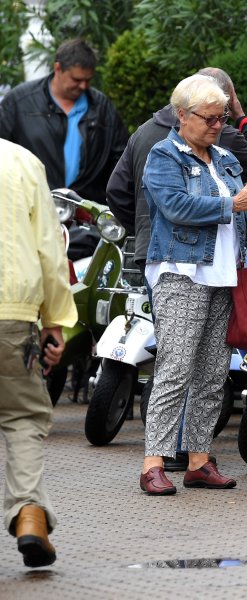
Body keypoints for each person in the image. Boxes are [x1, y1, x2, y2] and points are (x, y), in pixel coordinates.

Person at [106, 67, 247, 472]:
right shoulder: (163, 155)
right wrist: (232, 205)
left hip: (224, 276)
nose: (218, 126)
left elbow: (240, 223)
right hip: (180, 272)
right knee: (175, 368)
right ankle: (154, 464)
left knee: (213, 374)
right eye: (209, 119)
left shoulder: (226, 159)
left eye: (222, 118)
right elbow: (176, 208)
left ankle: (199, 462)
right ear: (182, 115)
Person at [0, 139, 78, 567]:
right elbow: (50, 251)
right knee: (23, 417)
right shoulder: (22, 161)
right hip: (12, 313)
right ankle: (30, 514)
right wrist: (55, 318)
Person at [0, 39, 128, 203]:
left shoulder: (102, 107)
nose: (83, 86)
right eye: (76, 80)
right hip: (31, 205)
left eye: (88, 80)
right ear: (58, 68)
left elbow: (120, 159)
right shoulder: (19, 102)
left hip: (86, 212)